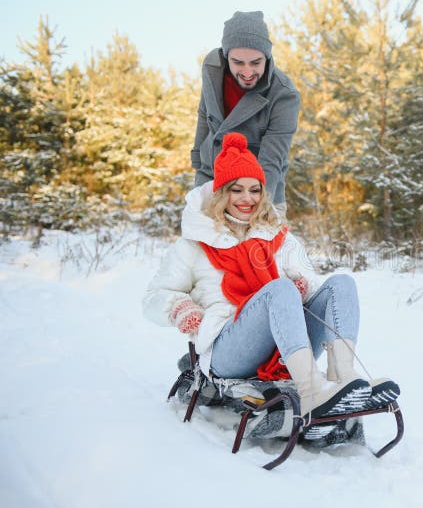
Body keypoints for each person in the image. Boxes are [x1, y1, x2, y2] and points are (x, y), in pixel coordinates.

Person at [144, 132, 399, 440]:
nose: (247, 199)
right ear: (220, 192)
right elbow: (154, 297)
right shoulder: (194, 244)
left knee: (340, 284)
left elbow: (312, 283)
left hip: (283, 343)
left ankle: (343, 378)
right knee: (280, 289)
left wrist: (303, 286)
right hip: (229, 349)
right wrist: (180, 309)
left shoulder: (277, 236)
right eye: (236, 190)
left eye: (255, 190)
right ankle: (310, 393)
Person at [190, 10, 300, 219]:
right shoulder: (212, 68)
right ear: (226, 56)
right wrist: (198, 162)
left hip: (258, 193)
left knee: (259, 251)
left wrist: (257, 209)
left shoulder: (284, 95)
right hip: (211, 181)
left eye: (256, 62)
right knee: (201, 249)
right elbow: (205, 114)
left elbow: (272, 161)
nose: (248, 72)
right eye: (238, 62)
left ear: (267, 58)